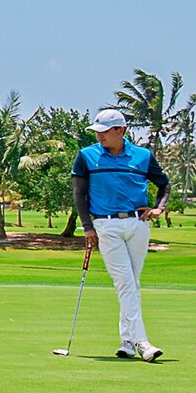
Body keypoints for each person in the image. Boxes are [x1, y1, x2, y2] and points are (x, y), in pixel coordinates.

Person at [71, 108, 171, 361]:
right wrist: (87, 227)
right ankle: (142, 342)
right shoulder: (86, 156)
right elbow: (79, 194)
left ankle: (126, 341)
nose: (100, 137)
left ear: (121, 131)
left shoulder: (142, 156)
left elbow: (164, 184)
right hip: (106, 226)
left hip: (138, 225)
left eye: (105, 132)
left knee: (131, 283)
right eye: (97, 132)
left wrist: (159, 208)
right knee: (125, 283)